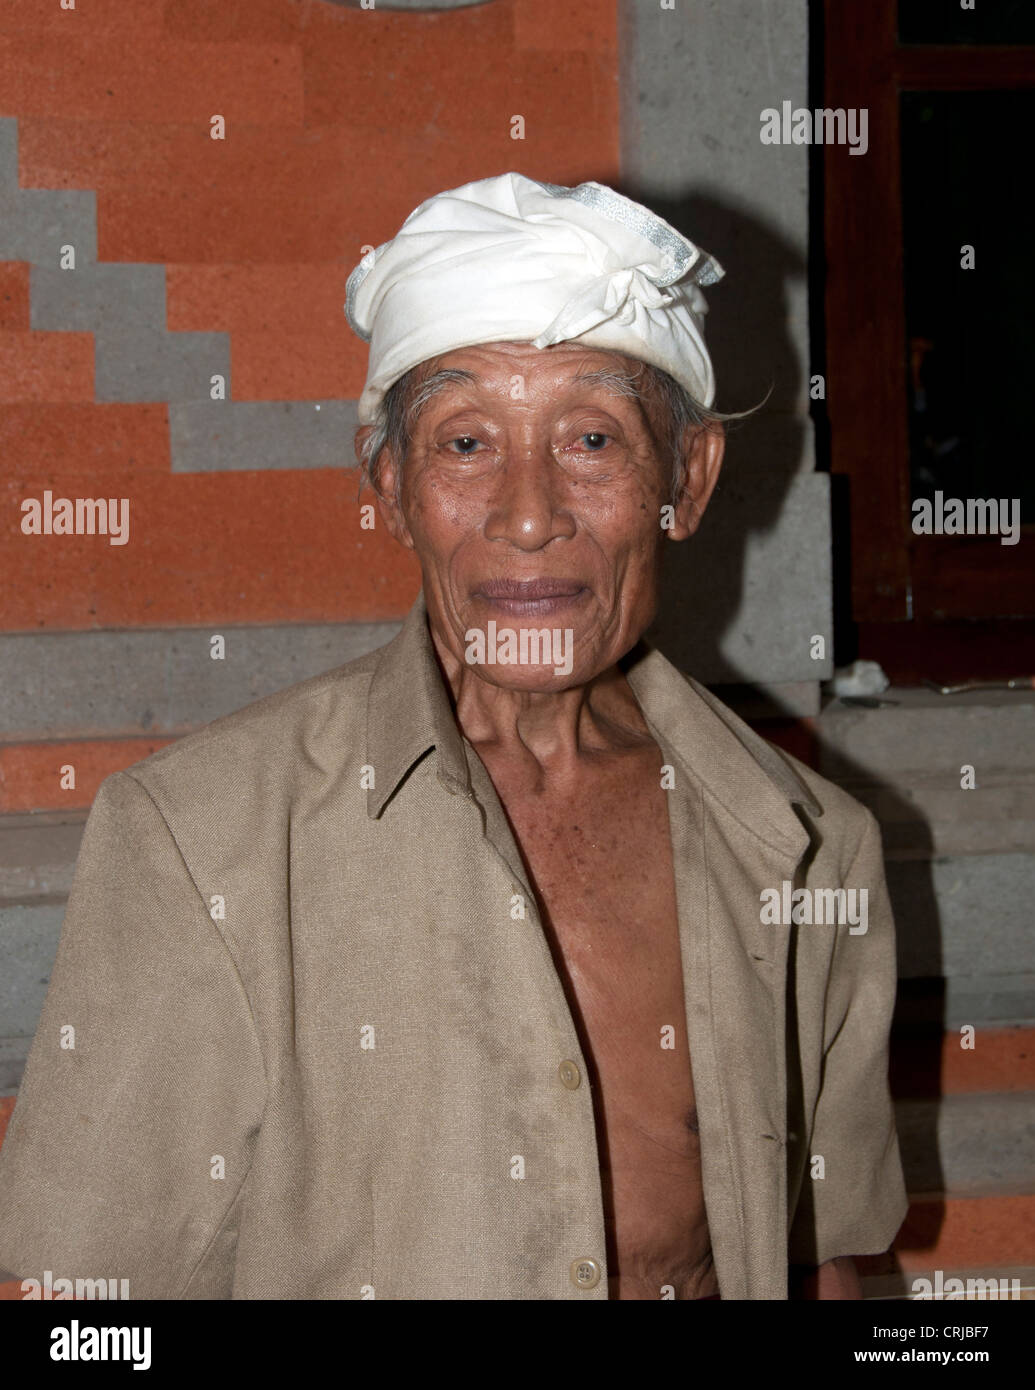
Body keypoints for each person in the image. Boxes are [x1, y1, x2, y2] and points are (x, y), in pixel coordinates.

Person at [0, 174, 907, 1300]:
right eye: (466, 442)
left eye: (590, 437)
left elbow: (832, 1258)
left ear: (687, 478)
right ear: (389, 483)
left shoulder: (812, 848)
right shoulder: (201, 845)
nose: (530, 512)